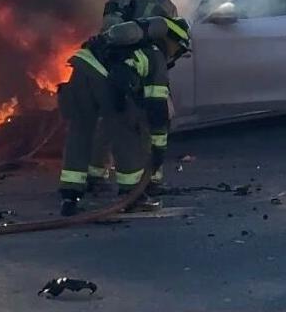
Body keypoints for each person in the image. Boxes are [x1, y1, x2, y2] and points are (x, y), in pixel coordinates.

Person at [56, 16, 190, 216]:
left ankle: (69, 196)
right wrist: (159, 147)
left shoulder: (132, 43)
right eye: (179, 49)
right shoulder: (156, 57)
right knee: (127, 131)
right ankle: (131, 193)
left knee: (80, 130)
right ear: (173, 41)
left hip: (81, 65)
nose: (176, 55)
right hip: (104, 78)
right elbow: (157, 109)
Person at [89, 0, 181, 193]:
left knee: (109, 117)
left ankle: (94, 175)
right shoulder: (166, 6)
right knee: (150, 123)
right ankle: (149, 181)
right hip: (144, 69)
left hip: (114, 64)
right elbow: (164, 41)